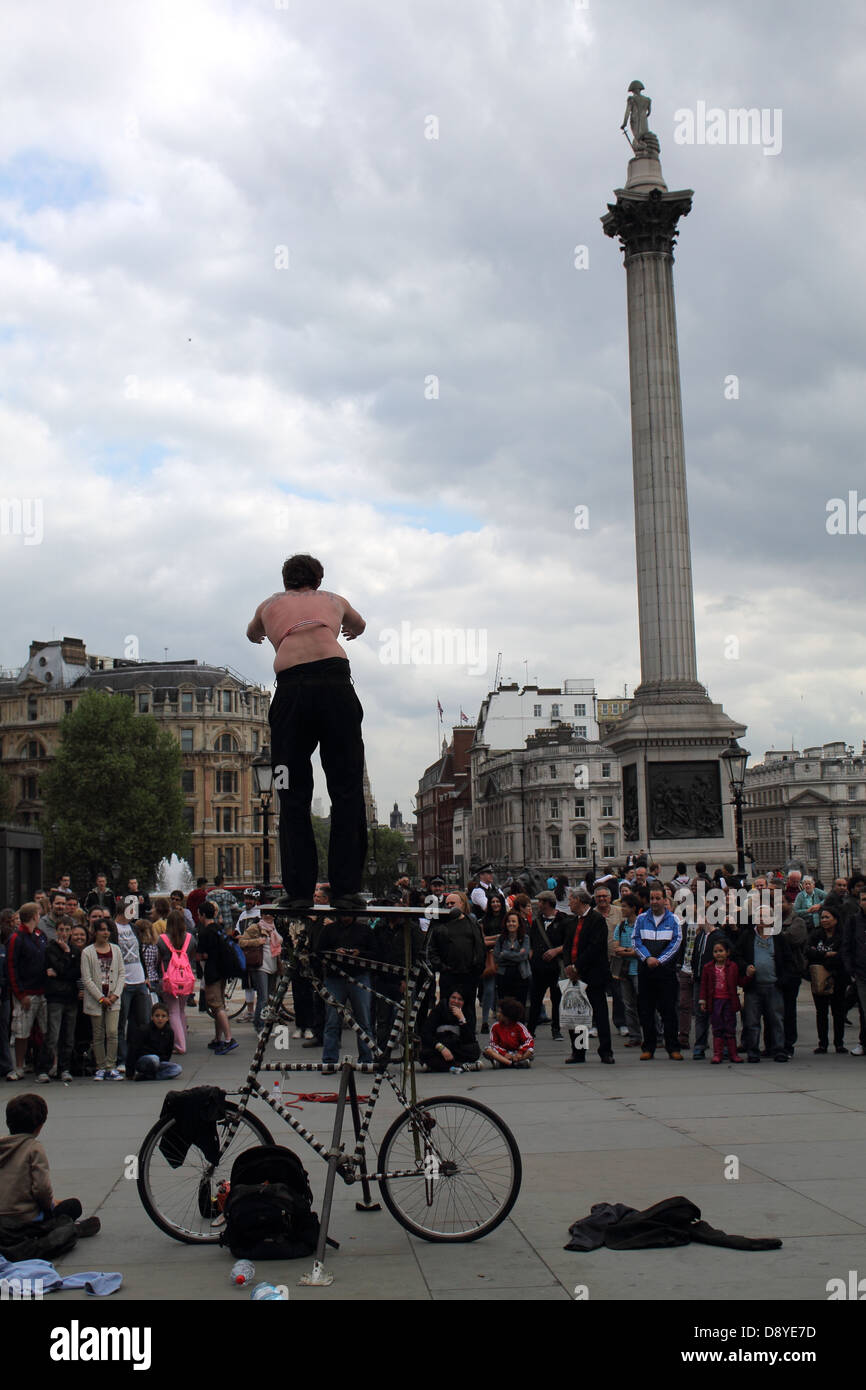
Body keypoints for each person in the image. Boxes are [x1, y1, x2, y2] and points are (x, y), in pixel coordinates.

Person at [247, 552, 368, 911]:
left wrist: (263, 634)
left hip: (291, 693)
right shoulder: (333, 600)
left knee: (291, 791)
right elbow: (359, 625)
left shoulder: (269, 604)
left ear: (285, 581)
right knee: (347, 789)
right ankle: (346, 890)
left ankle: (299, 892)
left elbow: (251, 633)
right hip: (335, 685)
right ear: (318, 579)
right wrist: (348, 629)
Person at [0, 1093, 100, 1238]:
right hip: (24, 1220)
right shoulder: (33, 1148)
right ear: (39, 1126)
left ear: (8, 1121)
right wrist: (50, 1206)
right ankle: (64, 1229)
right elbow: (42, 1189)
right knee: (73, 1206)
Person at [733, 903, 796, 1064]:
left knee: (776, 1019)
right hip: (753, 987)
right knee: (752, 1021)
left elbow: (789, 961)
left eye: (765, 916)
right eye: (759, 916)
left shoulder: (778, 937)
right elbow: (736, 956)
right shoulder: (748, 936)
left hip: (774, 986)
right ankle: (753, 1051)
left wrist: (782, 981)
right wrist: (745, 967)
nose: (761, 919)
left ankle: (779, 1049)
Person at [632, 886, 683, 1061]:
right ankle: (648, 1047)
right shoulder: (641, 919)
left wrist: (660, 960)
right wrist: (647, 958)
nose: (654, 902)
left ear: (664, 899)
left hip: (665, 971)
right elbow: (636, 940)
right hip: (646, 970)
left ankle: (673, 1047)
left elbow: (676, 942)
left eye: (658, 898)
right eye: (652, 898)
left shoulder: (674, 919)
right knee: (646, 1011)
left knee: (669, 1011)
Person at [563, 889, 614, 1064]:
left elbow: (595, 948)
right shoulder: (571, 922)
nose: (569, 903)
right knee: (578, 1016)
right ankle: (579, 1051)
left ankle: (606, 1051)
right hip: (575, 976)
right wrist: (568, 966)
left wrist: (577, 966)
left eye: (571, 900)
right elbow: (567, 947)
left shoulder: (596, 920)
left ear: (579, 901)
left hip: (593, 974)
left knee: (599, 1013)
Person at [318, 911, 374, 1068]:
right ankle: (329, 1060)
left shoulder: (365, 930)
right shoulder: (329, 930)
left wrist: (359, 954)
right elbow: (319, 952)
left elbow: (375, 953)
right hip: (335, 977)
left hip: (359, 976)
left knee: (364, 1020)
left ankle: (366, 1059)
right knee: (332, 1020)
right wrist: (334, 954)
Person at [6, 903, 49, 1083]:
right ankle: (19, 1066)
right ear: (34, 916)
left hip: (43, 991)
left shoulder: (40, 936)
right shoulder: (16, 938)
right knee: (21, 1031)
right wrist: (20, 993)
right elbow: (11, 967)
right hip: (26, 993)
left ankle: (43, 1067)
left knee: (45, 1030)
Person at [80, 920, 125, 1080]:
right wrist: (100, 997)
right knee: (98, 1034)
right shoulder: (87, 952)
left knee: (112, 1032)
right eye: (102, 930)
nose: (105, 933)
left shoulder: (116, 950)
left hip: (113, 998)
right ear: (96, 932)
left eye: (107, 930)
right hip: (96, 999)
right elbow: (87, 979)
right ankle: (100, 1066)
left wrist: (115, 995)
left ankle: (111, 1065)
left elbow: (121, 974)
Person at [426, 891, 485, 1014]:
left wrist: (477, 966)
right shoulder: (440, 924)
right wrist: (442, 967)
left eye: (453, 903)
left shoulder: (472, 923)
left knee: (469, 1009)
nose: (449, 906)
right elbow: (432, 949)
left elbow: (479, 945)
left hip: (469, 975)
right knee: (447, 1008)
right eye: (447, 903)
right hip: (449, 975)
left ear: (461, 904)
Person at [195, 902, 238, 1055]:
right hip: (223, 972)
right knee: (218, 1005)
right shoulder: (219, 929)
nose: (198, 916)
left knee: (217, 1006)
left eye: (199, 913)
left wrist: (203, 956)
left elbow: (200, 955)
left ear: (203, 915)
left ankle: (228, 1039)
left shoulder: (205, 932)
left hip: (212, 973)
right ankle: (218, 1038)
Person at [112, 904, 150, 1073]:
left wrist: (146, 975)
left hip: (139, 979)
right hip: (125, 981)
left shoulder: (133, 928)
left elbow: (139, 952)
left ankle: (138, 1055)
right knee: (121, 1023)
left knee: (141, 1022)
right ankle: (122, 1058)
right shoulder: (113, 928)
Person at [42, 920, 82, 1083]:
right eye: (61, 929)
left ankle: (64, 1068)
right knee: (53, 1035)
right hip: (55, 997)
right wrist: (66, 955)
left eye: (67, 929)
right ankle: (44, 1068)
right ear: (56, 931)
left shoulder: (75, 950)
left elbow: (73, 972)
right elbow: (57, 967)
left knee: (68, 1036)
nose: (64, 933)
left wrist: (60, 971)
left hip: (70, 996)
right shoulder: (50, 949)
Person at [807, 906, 848, 1053]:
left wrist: (824, 956)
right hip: (819, 978)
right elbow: (808, 951)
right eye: (822, 917)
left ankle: (839, 1043)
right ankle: (822, 1043)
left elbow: (843, 954)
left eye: (827, 917)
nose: (824, 920)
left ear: (836, 920)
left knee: (838, 1011)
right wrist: (825, 955)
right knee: (821, 1011)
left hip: (838, 977)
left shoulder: (843, 936)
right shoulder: (816, 934)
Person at [528, 891, 567, 1039]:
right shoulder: (537, 921)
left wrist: (556, 951)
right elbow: (532, 941)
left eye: (541, 902)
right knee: (535, 999)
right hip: (538, 967)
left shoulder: (563, 920)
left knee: (556, 999)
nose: (539, 905)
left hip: (555, 967)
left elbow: (568, 942)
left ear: (548, 903)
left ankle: (556, 1029)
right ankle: (530, 1030)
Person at [157, 910, 197, 1053]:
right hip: (186, 978)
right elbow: (192, 956)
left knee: (172, 1011)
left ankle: (180, 1045)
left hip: (169, 979)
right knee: (181, 1010)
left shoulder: (162, 939)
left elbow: (158, 959)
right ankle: (182, 1038)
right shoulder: (190, 939)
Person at [698, 940, 743, 1063]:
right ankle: (718, 1054)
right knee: (717, 1027)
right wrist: (703, 1001)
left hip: (729, 1001)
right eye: (716, 951)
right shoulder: (708, 968)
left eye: (721, 951)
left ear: (727, 952)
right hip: (715, 1001)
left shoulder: (733, 966)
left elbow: (739, 981)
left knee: (730, 1027)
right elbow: (704, 985)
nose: (718, 954)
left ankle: (733, 1053)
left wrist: (748, 977)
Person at [420, 991, 481, 1072]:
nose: (456, 1001)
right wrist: (441, 1048)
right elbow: (426, 1034)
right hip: (440, 1046)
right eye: (453, 998)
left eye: (460, 999)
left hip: (457, 1047)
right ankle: (462, 1066)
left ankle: (438, 1066)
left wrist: (462, 1019)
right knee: (424, 1054)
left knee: (475, 1050)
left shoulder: (467, 1012)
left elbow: (470, 1039)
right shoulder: (439, 1010)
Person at [125, 1004, 183, 1081]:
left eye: (163, 1016)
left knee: (177, 1069)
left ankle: (150, 1077)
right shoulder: (144, 1030)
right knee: (154, 1058)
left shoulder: (169, 1032)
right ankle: (146, 1073)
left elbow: (168, 1052)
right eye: (157, 1016)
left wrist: (163, 1063)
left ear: (167, 1018)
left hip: (159, 1062)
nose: (160, 1019)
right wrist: (129, 1073)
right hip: (144, 1061)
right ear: (152, 1017)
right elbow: (133, 1051)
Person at [612, 895, 641, 1046]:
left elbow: (641, 950)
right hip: (625, 970)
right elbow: (616, 949)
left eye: (624, 906)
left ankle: (655, 1034)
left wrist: (627, 951)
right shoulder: (621, 926)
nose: (622, 909)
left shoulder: (641, 925)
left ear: (633, 908)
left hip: (638, 970)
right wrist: (630, 951)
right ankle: (635, 1036)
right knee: (628, 1005)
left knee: (643, 1003)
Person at [841, 885, 866, 1057]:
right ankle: (863, 1043)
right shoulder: (853, 920)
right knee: (864, 1010)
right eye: (864, 899)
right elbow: (847, 946)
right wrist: (851, 969)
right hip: (862, 972)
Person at [478, 891, 507, 1031]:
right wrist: (497, 937)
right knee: (488, 989)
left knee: (502, 989)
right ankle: (484, 1021)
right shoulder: (484, 920)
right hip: (489, 956)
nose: (495, 904)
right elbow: (481, 940)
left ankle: (503, 1017)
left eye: (498, 901)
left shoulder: (506, 918)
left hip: (504, 957)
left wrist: (493, 939)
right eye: (493, 902)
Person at [492, 909, 532, 1008]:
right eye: (509, 921)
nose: (511, 924)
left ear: (519, 924)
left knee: (519, 1005)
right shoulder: (500, 939)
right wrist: (516, 954)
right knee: (505, 1005)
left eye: (514, 921)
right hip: (504, 975)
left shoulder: (525, 938)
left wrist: (505, 954)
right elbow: (497, 958)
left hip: (521, 975)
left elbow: (523, 956)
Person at [483, 998, 534, 1068]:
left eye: (500, 1012)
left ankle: (504, 1063)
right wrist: (504, 1053)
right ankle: (512, 1063)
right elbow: (493, 1044)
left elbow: (529, 1040)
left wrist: (520, 1052)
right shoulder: (495, 1027)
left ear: (507, 1015)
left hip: (517, 1052)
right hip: (502, 1053)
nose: (497, 1014)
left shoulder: (519, 1026)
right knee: (488, 1050)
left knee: (530, 1050)